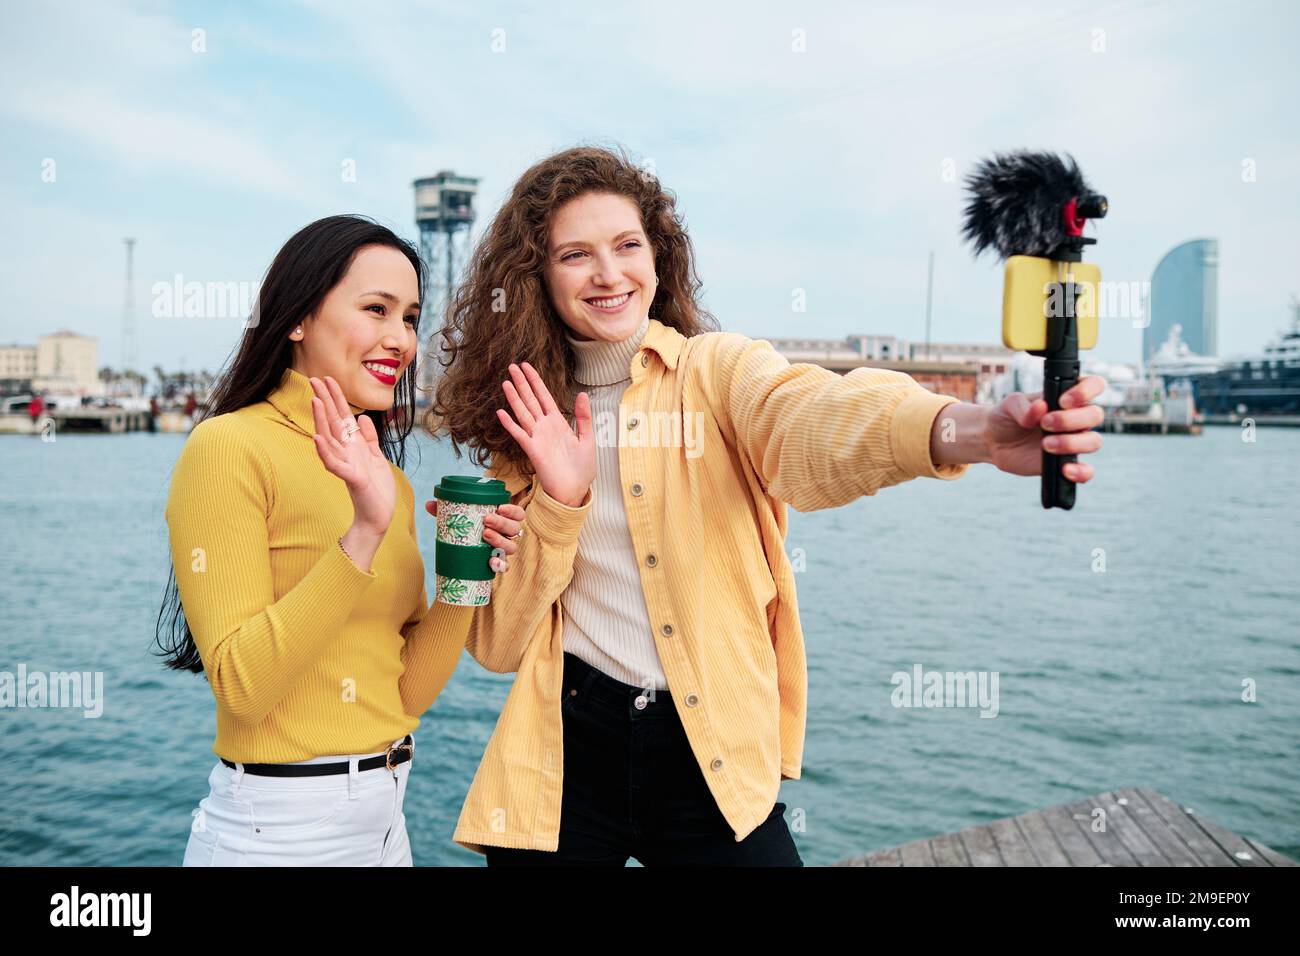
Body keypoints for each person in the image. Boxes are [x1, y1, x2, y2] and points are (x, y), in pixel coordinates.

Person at [430, 146, 1105, 866]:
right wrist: (560, 503)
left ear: (658, 258)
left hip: (710, 740)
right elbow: (497, 647)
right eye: (575, 254)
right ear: (538, 275)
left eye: (627, 244)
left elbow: (815, 419)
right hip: (565, 747)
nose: (608, 273)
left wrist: (966, 431)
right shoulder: (523, 426)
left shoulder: (717, 373)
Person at [157, 215, 526, 865]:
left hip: (388, 824)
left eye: (410, 317)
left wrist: (467, 572)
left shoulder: (386, 479)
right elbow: (242, 687)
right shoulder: (229, 448)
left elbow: (403, 695)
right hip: (280, 832)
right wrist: (362, 534)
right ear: (296, 317)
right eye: (376, 309)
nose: (401, 339)